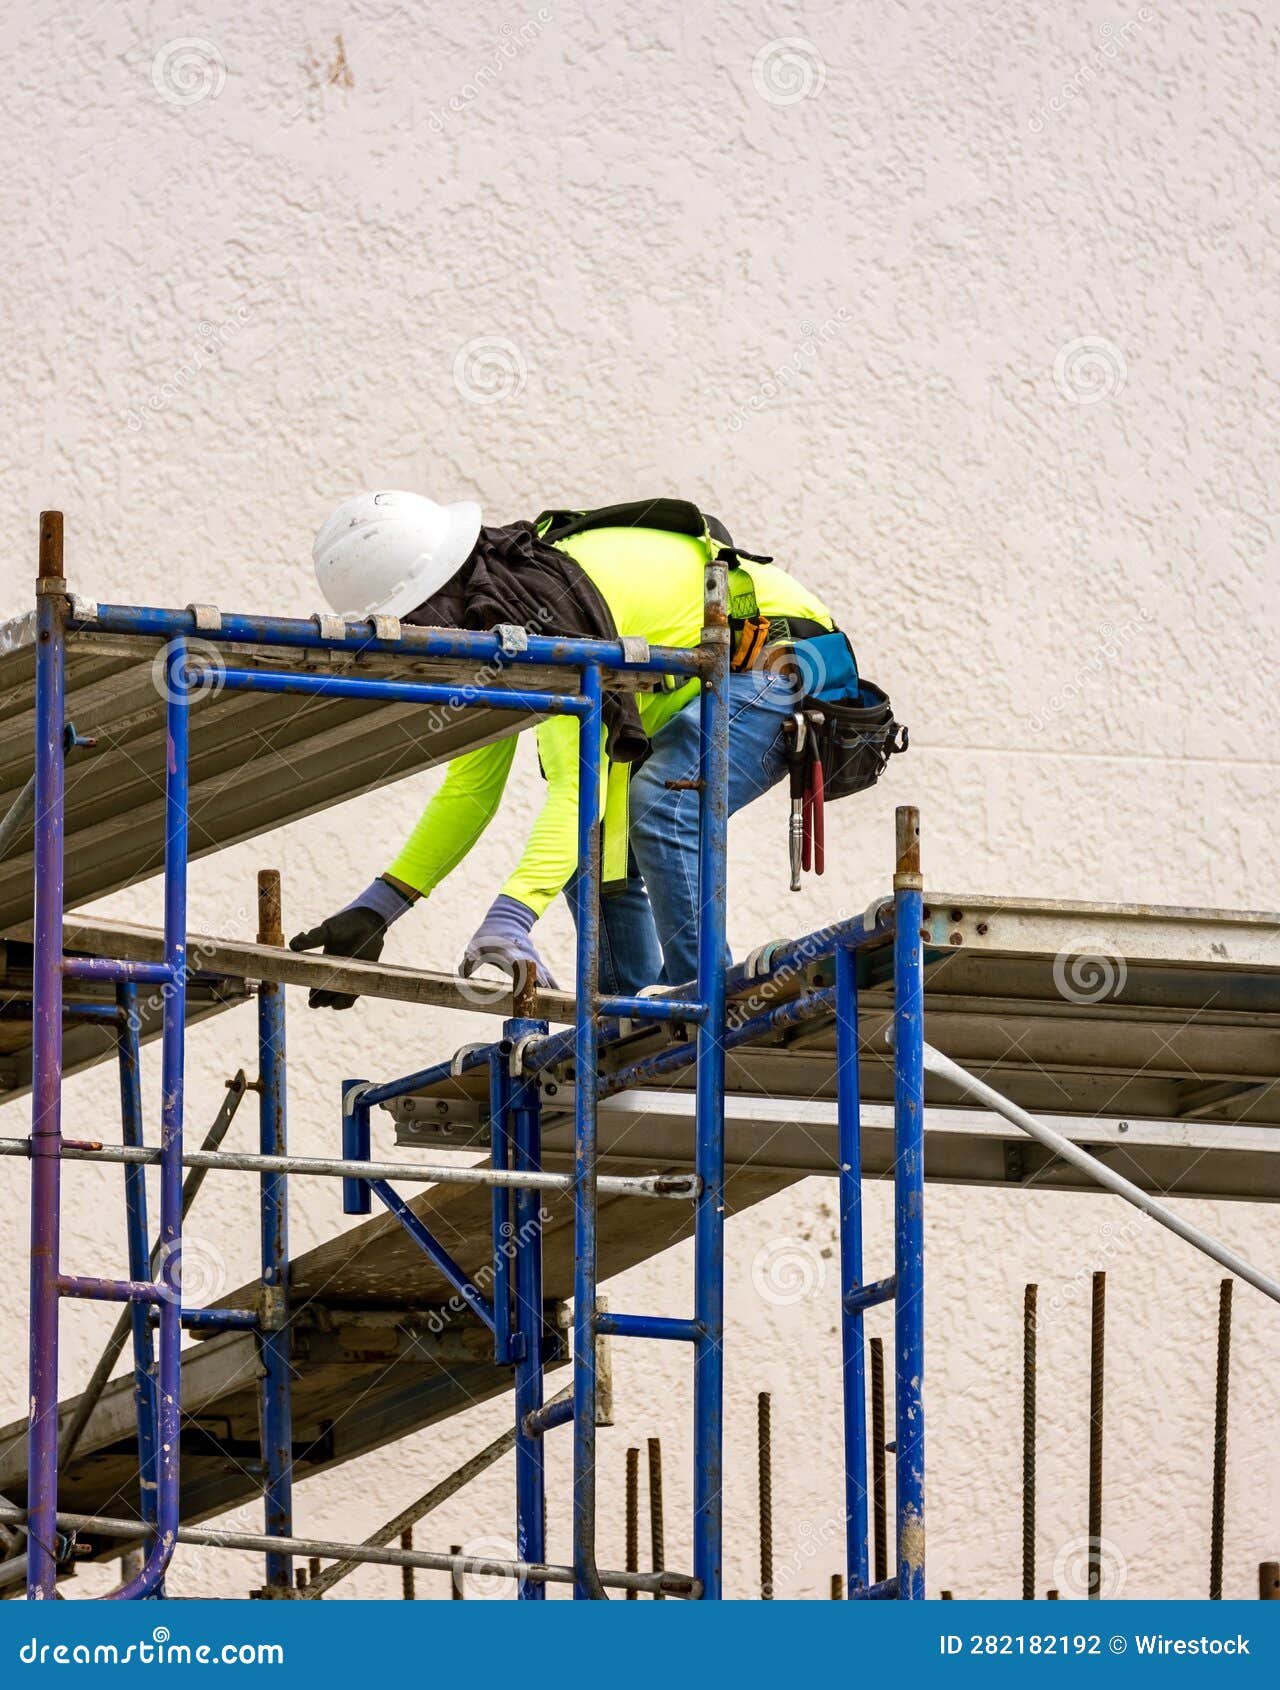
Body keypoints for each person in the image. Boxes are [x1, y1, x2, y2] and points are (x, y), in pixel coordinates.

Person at [290, 491, 838, 1005]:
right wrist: (377, 909)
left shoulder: (550, 621)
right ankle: (628, 1021)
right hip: (694, 689)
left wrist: (512, 918)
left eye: (414, 626)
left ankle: (705, 1009)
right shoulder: (491, 620)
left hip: (785, 663)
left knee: (662, 807)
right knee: (592, 853)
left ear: (438, 605)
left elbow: (578, 790)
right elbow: (471, 789)